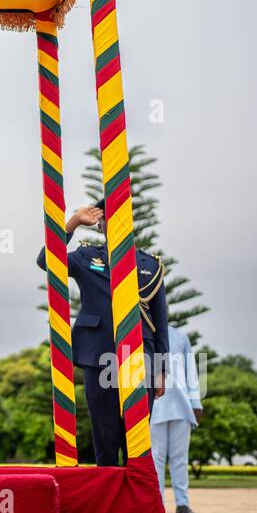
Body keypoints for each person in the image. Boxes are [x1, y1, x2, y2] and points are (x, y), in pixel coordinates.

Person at [37, 199, 168, 467]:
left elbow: (160, 320)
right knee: (105, 440)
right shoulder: (87, 258)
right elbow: (45, 261)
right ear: (102, 223)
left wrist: (161, 369)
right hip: (98, 356)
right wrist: (73, 223)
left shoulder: (150, 266)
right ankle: (108, 504)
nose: (117, 223)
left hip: (139, 357)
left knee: (137, 440)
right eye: (110, 218)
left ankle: (135, 504)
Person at [150, 327, 203, 513]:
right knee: (156, 457)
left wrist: (196, 402)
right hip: (154, 406)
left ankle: (182, 504)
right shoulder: (144, 333)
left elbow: (191, 372)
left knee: (180, 457)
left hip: (181, 405)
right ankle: (158, 504)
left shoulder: (181, 337)